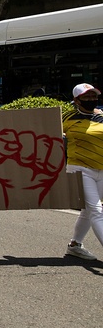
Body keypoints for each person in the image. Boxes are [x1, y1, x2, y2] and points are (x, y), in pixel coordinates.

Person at [62, 83, 103, 260]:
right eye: (86, 97)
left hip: (101, 169)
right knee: (96, 211)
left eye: (93, 96)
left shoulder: (102, 116)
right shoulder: (67, 118)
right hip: (80, 168)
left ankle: (75, 245)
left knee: (88, 211)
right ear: (76, 100)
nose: (91, 100)